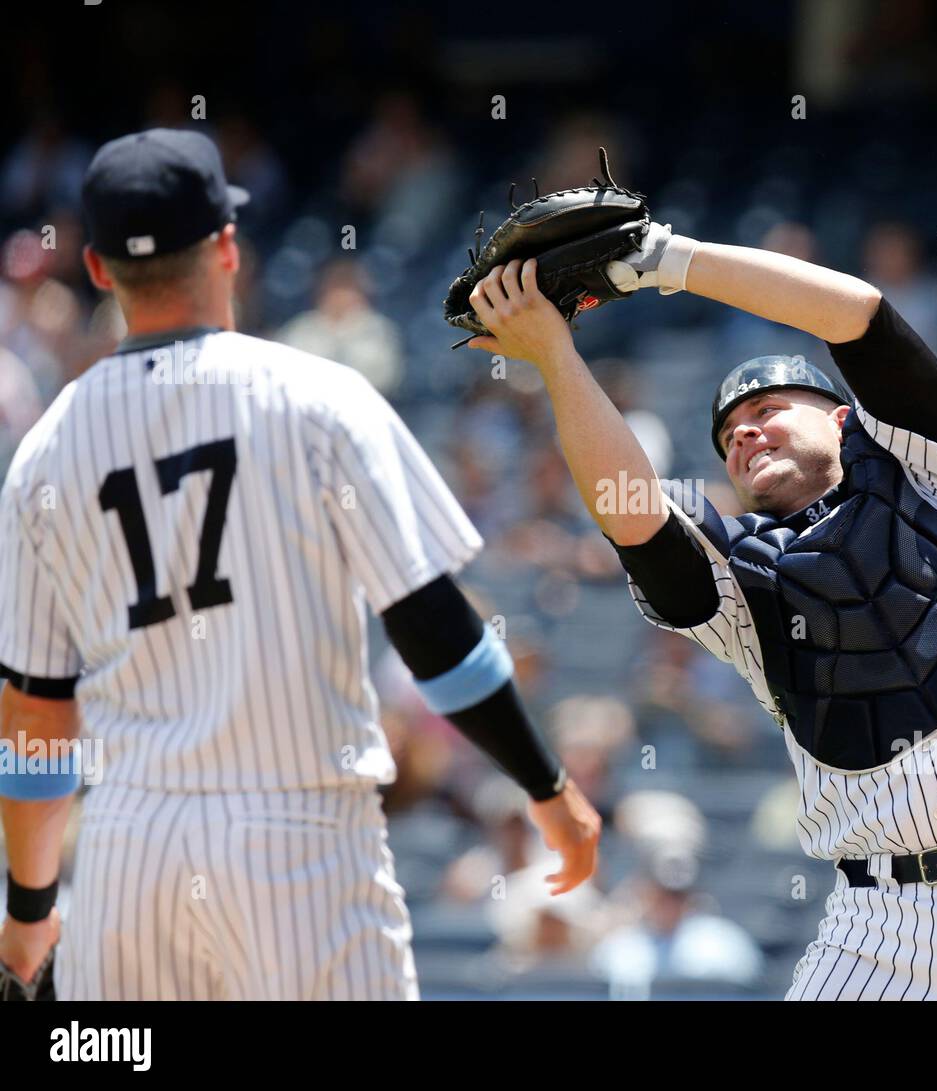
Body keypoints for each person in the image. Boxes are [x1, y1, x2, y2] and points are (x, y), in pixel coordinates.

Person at [461, 220, 937, 1000]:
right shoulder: (742, 585)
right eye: (728, 434)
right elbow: (628, 511)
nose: (745, 432)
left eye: (767, 406)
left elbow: (859, 313)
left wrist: (661, 260)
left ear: (840, 417)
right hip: (879, 927)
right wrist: (556, 355)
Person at [0, 129, 600, 1001]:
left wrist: (28, 905)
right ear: (227, 247)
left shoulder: (44, 453)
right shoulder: (318, 398)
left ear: (96, 269)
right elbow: (432, 629)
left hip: (130, 853)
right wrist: (546, 784)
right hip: (300, 839)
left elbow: (33, 714)